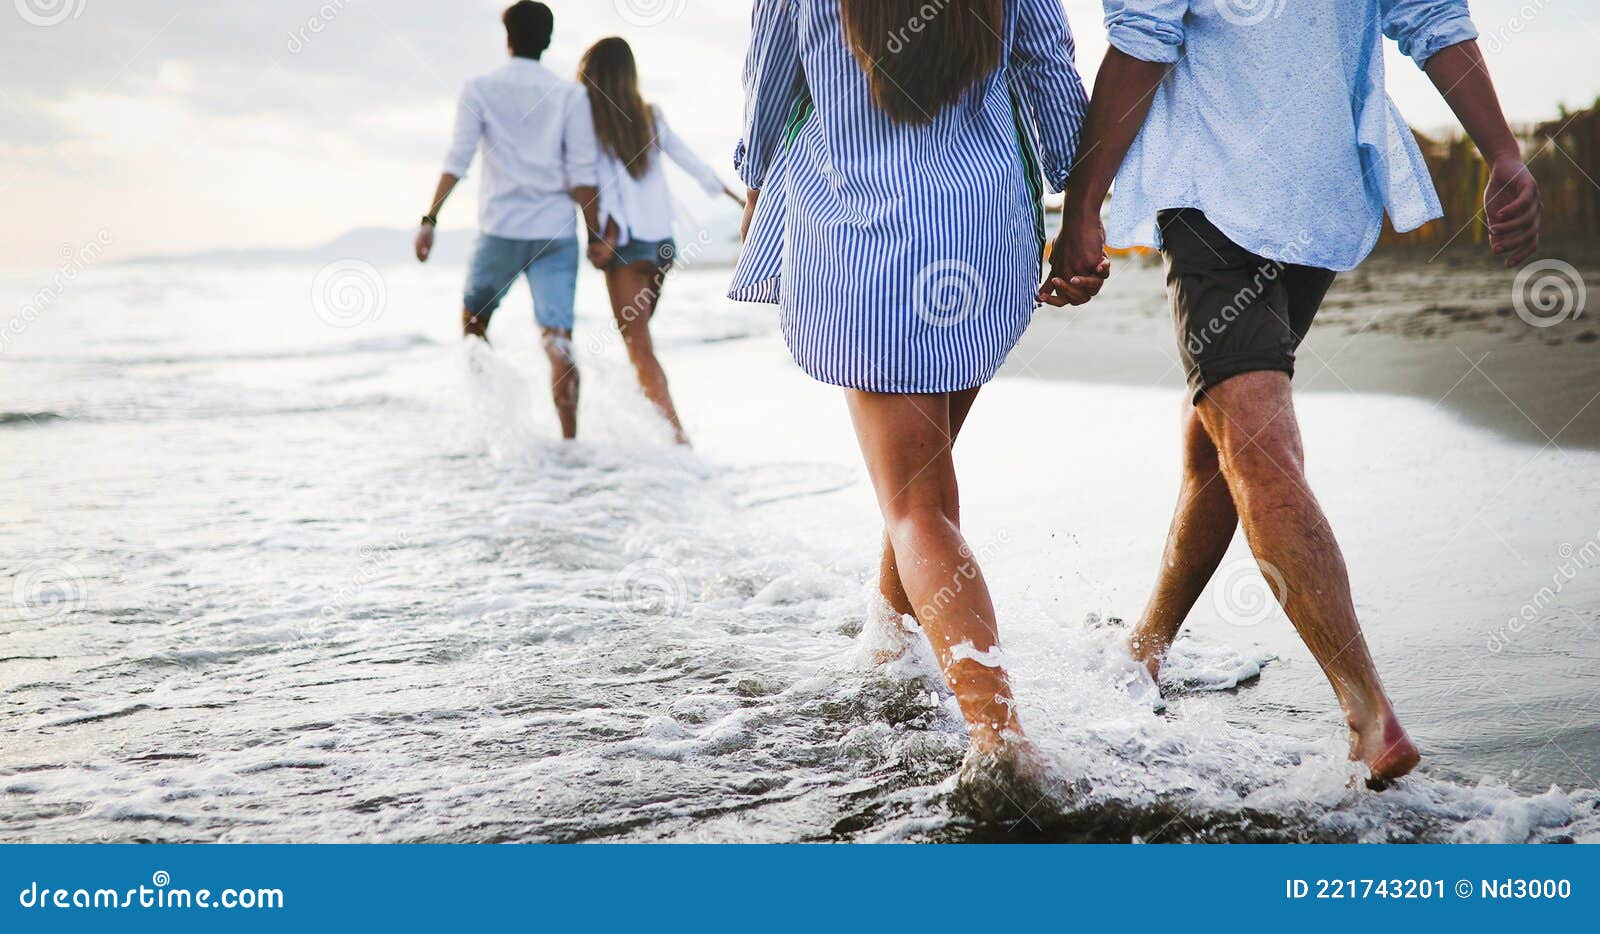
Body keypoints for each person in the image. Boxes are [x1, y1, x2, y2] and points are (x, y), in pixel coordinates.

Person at [1043, 0, 1542, 786]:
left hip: (1270, 196)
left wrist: (1082, 205)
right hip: (1281, 198)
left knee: (1246, 449)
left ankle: (1366, 715)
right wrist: (1502, 152)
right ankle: (1149, 648)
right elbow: (1436, 20)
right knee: (1237, 436)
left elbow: (1143, 44)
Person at [731, 0, 1096, 789]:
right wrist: (1083, 212)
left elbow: (767, 100)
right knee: (920, 477)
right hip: (982, 234)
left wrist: (755, 181)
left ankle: (999, 736)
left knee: (916, 504)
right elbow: (1052, 80)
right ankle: (887, 646)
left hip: (863, 244)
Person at [413, 1, 606, 441]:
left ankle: (490, 421)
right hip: (555, 231)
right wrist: (595, 235)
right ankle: (569, 440)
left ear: (508, 39)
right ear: (549, 39)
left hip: (500, 228)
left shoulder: (480, 88)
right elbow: (582, 173)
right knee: (558, 337)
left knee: (474, 322)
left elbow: (458, 159)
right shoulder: (569, 93)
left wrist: (430, 218)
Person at [580, 37, 743, 446]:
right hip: (664, 247)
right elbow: (690, 160)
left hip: (628, 246)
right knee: (639, 341)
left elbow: (597, 182)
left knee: (639, 347)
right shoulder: (649, 115)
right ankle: (648, 425)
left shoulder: (593, 120)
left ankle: (676, 440)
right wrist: (737, 196)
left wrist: (600, 232)